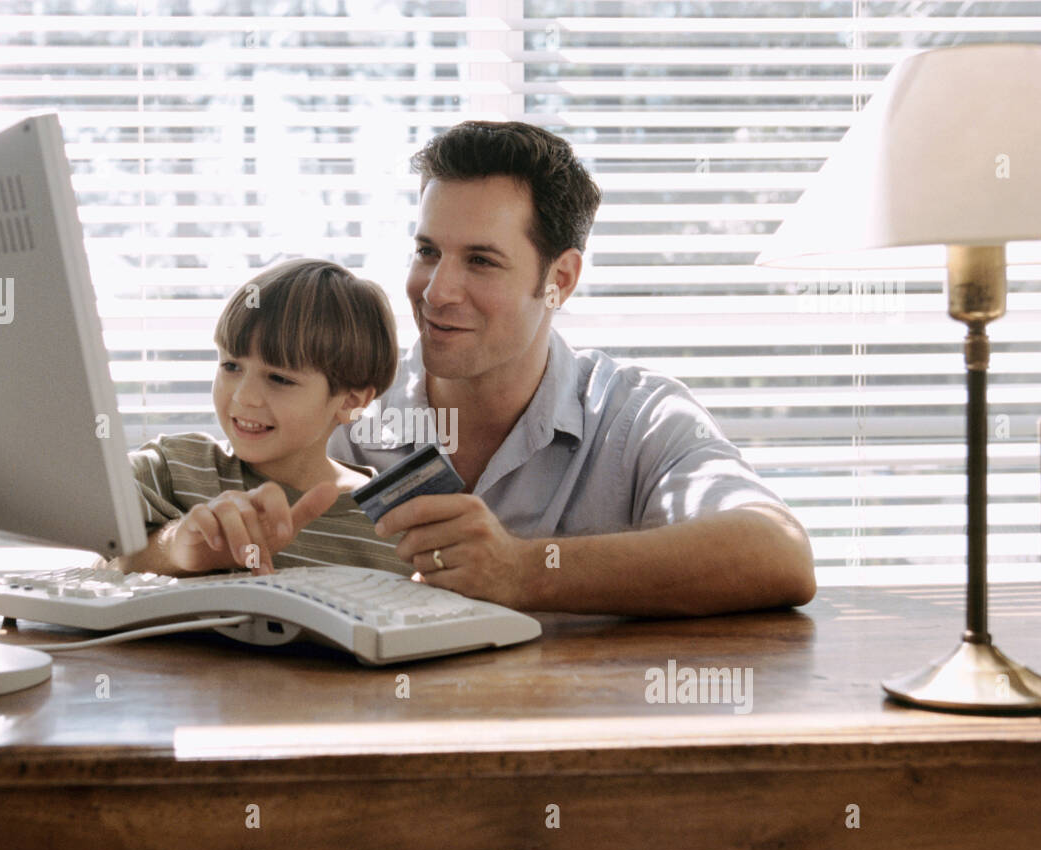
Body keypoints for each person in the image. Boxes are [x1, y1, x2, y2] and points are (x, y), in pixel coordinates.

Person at [321, 121, 816, 616]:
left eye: (481, 261)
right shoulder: (340, 412)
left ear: (560, 278)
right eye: (428, 252)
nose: (436, 292)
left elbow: (780, 551)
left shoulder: (638, 418)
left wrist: (522, 570)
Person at [111, 258, 414, 578]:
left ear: (350, 402)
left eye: (279, 379)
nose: (243, 396)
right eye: (231, 366)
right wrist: (176, 549)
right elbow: (102, 555)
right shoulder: (174, 467)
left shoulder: (395, 525)